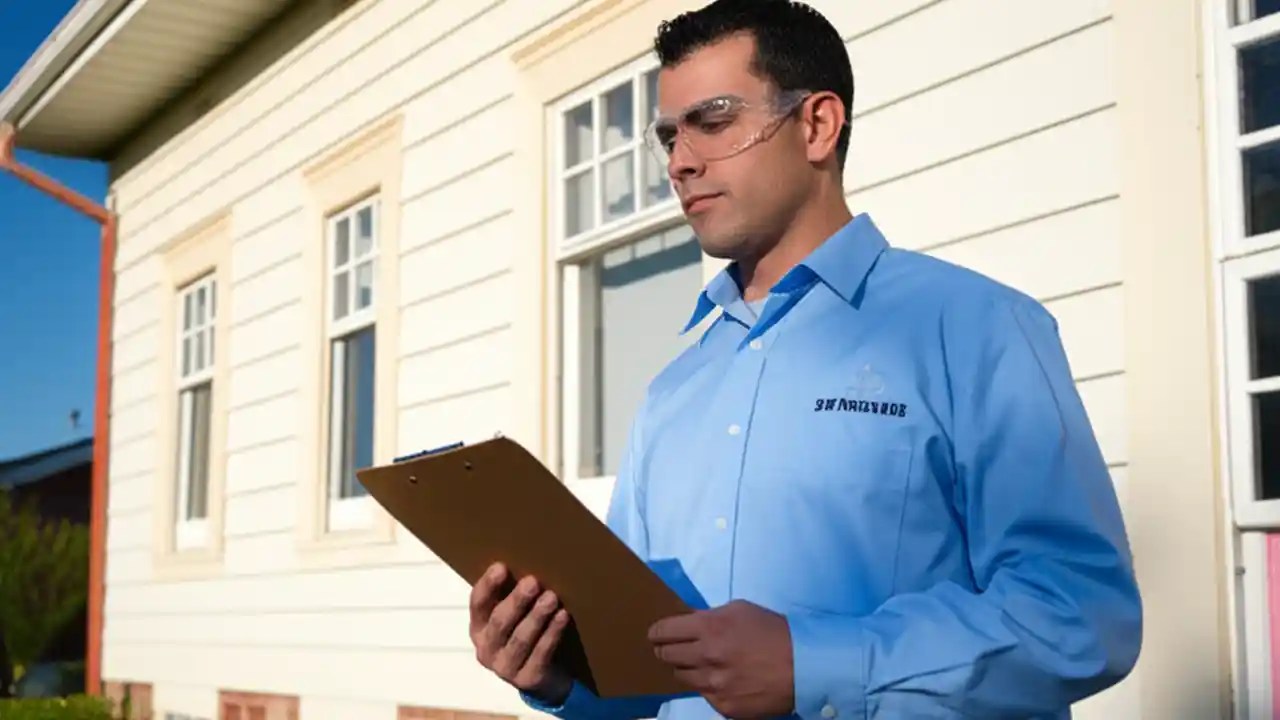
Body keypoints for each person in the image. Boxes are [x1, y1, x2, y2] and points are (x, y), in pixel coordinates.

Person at [467, 1, 1143, 718]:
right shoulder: (672, 392)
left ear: (818, 125)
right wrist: (559, 677)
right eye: (668, 136)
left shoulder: (977, 328)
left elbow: (1081, 616)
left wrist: (814, 662)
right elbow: (644, 673)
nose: (680, 162)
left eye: (714, 120)